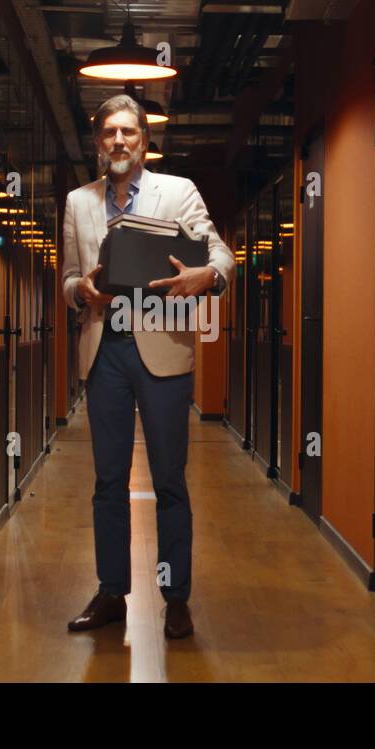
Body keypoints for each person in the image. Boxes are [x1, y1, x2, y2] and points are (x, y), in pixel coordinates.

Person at [61, 94, 235, 639]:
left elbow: (221, 254)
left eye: (129, 133)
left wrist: (207, 278)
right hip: (104, 351)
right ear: (97, 143)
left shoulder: (177, 192)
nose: (119, 142)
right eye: (109, 133)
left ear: (144, 142)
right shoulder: (77, 202)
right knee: (108, 481)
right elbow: (67, 277)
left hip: (163, 350)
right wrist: (79, 290)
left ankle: (175, 597)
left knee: (169, 481)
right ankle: (112, 593)